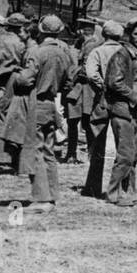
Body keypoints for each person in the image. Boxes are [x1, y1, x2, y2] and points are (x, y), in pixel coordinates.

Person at [18, 14, 74, 212]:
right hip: (52, 103)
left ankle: (41, 198)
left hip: (37, 103)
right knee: (48, 152)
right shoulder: (64, 54)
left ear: (41, 30)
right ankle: (51, 195)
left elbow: (26, 79)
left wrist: (14, 76)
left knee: (36, 151)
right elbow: (68, 82)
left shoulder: (37, 52)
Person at [102, 20, 137, 206]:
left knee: (134, 155)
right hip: (122, 111)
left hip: (136, 111)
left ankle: (129, 191)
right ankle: (114, 194)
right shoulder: (121, 55)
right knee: (125, 155)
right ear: (129, 34)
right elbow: (114, 82)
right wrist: (134, 97)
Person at [82, 20, 126, 199]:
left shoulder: (97, 51)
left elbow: (91, 74)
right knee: (123, 144)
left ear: (104, 34)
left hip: (102, 99)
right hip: (123, 100)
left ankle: (92, 186)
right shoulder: (125, 52)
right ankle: (120, 189)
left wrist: (103, 85)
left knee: (97, 142)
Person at [0, 14, 30, 169]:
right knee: (8, 115)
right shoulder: (20, 43)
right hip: (12, 79)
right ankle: (4, 155)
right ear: (20, 27)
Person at [62, 18, 96, 164]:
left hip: (83, 89)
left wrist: (72, 72)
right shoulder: (85, 44)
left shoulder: (90, 46)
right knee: (77, 122)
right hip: (82, 90)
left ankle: (82, 154)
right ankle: (76, 154)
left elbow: (85, 71)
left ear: (82, 31)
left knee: (82, 123)